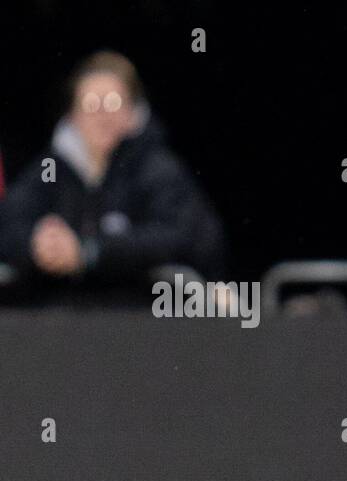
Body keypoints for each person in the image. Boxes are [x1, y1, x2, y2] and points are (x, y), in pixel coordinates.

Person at [0, 51, 226, 303]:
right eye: (90, 104)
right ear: (72, 114)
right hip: (57, 320)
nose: (102, 115)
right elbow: (9, 222)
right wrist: (37, 244)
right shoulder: (50, 168)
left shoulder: (157, 168)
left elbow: (180, 238)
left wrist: (92, 252)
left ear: (133, 111)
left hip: (142, 318)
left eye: (113, 103)